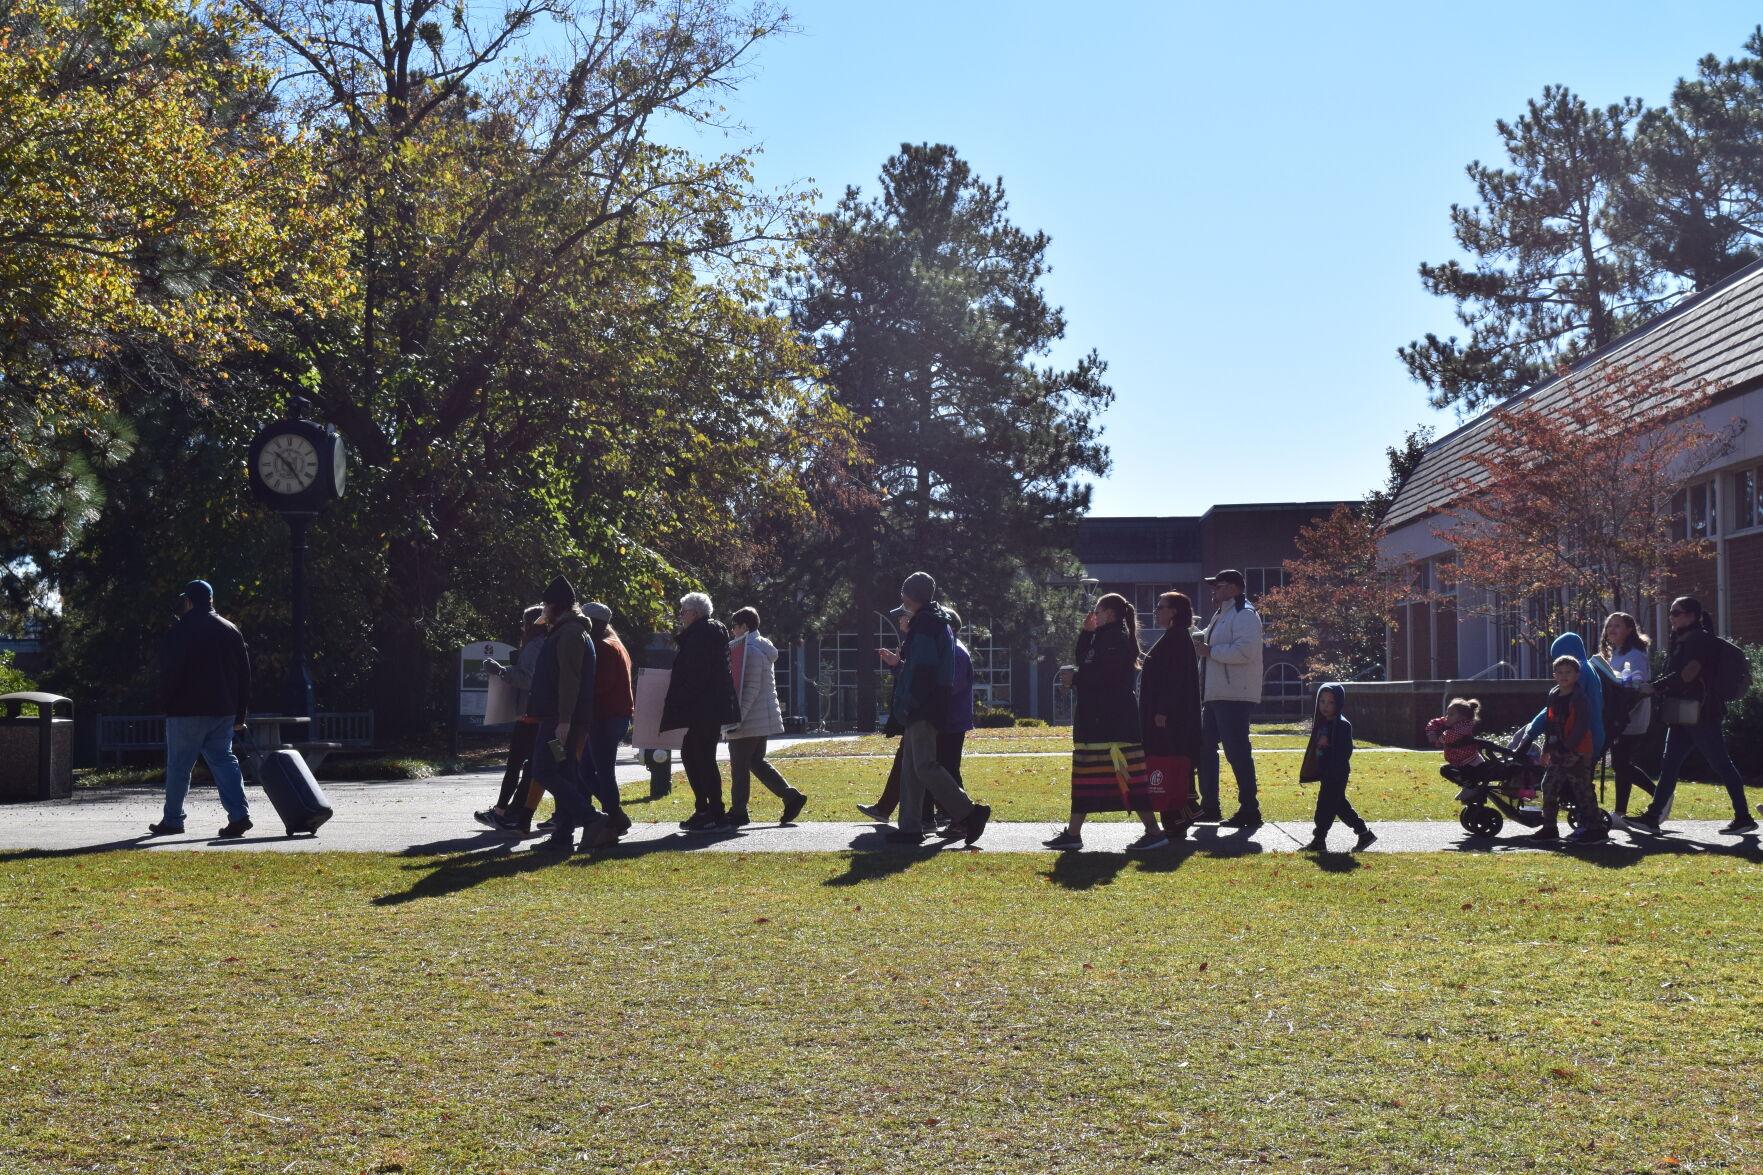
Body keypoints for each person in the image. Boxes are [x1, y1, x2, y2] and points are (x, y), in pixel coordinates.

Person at [1044, 593, 1168, 853]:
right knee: (1085, 775)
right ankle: (1073, 833)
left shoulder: (1116, 640)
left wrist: (1076, 680)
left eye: (1097, 611)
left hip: (1114, 722)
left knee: (1129, 775)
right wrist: (1086, 634)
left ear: (1110, 614)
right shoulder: (1100, 637)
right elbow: (1085, 661)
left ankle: (1154, 831)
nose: (1093, 616)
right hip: (1096, 719)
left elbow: (1109, 678)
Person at [1628, 597, 1757, 836]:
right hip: (1683, 713)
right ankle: (1653, 817)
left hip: (1702, 713)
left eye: (1677, 613)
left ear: (1692, 616)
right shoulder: (1683, 639)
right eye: (1671, 613)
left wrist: (1655, 687)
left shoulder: (1700, 640)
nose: (1672, 617)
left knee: (1721, 764)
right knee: (1669, 766)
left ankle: (1744, 817)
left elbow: (1687, 675)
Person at [882, 572, 991, 846]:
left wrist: (910, 702)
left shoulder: (927, 625)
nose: (902, 599)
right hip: (925, 704)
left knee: (925, 765)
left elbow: (922, 671)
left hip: (923, 705)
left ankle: (969, 812)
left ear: (911, 595)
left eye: (904, 593)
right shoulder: (933, 621)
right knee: (911, 767)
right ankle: (910, 826)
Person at [151, 579, 254, 839]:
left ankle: (173, 819)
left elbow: (170, 672)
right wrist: (240, 714)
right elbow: (244, 675)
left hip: (186, 710)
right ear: (211, 600)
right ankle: (239, 815)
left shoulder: (180, 630)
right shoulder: (231, 630)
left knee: (179, 766)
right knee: (224, 760)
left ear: (188, 601)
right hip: (224, 710)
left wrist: (164, 703)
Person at [857, 606, 973, 831]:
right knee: (924, 766)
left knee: (939, 769)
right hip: (937, 718)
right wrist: (898, 666)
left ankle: (961, 816)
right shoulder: (945, 648)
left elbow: (943, 685)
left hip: (947, 722)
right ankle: (927, 817)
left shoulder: (955, 651)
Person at [525, 575, 603, 853]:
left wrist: (564, 721)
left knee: (543, 770)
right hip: (564, 717)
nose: (543, 610)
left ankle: (591, 818)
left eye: (546, 605)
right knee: (565, 773)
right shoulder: (570, 630)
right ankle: (563, 836)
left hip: (561, 719)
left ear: (555, 605)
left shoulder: (570, 633)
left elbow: (569, 680)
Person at [660, 592, 740, 832]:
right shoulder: (713, 631)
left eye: (683, 612)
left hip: (702, 707)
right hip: (712, 706)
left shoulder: (699, 635)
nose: (681, 616)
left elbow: (696, 674)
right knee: (700, 755)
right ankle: (712, 809)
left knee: (697, 756)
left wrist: (680, 698)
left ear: (694, 613)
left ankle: (708, 810)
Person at [723, 606, 808, 828]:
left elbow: (748, 688)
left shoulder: (749, 650)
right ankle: (791, 797)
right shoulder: (761, 647)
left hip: (749, 720)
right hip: (761, 719)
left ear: (745, 626)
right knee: (755, 762)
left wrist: (736, 718)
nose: (733, 631)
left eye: (735, 626)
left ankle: (739, 811)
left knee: (739, 766)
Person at [1193, 569, 1265, 828]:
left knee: (1237, 753)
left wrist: (1209, 651)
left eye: (1219, 586)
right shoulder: (1222, 613)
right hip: (1216, 694)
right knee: (1205, 750)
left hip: (1234, 695)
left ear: (1233, 588)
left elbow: (1245, 652)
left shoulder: (1245, 614)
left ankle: (1250, 809)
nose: (1214, 590)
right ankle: (1210, 806)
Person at [1139, 590, 1203, 839]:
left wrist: (1162, 710)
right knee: (1171, 763)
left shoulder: (1176, 638)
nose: (1156, 610)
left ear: (1174, 611)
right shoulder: (1175, 636)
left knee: (1168, 763)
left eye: (1161, 606)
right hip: (1170, 716)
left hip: (1170, 718)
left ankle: (1178, 816)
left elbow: (1173, 679)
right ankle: (1181, 813)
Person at [475, 605, 546, 831]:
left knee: (516, 765)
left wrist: (500, 671)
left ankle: (502, 811)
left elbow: (528, 679)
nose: (521, 627)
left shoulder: (535, 646)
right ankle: (513, 811)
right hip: (539, 715)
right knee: (532, 767)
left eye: (524, 622)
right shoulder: (547, 643)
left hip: (530, 716)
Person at [1531, 654, 1608, 845]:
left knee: (1581, 789)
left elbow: (1581, 726)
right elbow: (1550, 723)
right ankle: (1549, 826)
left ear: (1576, 675)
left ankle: (1595, 828)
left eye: (1568, 672)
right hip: (1558, 751)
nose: (1564, 676)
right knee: (1548, 785)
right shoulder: (1554, 695)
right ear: (1554, 675)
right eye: (1560, 672)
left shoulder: (1579, 697)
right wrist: (1547, 749)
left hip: (1578, 751)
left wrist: (1568, 747)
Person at [1593, 612, 1656, 826]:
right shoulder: (1616, 653)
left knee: (1620, 764)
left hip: (1631, 717)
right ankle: (1620, 812)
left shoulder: (1636, 655)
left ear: (1630, 629)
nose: (1611, 630)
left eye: (1617, 626)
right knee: (1622, 763)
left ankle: (1660, 797)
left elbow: (1638, 687)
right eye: (1609, 626)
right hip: (1619, 717)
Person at [1297, 683, 1376, 852]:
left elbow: (1344, 751)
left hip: (1336, 773)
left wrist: (1333, 767)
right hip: (1326, 772)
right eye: (1322, 701)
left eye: (1331, 702)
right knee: (1339, 805)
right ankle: (1364, 833)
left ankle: (1319, 839)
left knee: (1325, 807)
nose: (1325, 706)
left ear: (1339, 703)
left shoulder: (1342, 725)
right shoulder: (1323, 722)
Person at [581, 602, 634, 840]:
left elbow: (601, 685)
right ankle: (614, 813)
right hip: (616, 715)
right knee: (593, 769)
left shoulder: (602, 647)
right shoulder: (617, 644)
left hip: (604, 715)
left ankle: (615, 815)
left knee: (599, 771)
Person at [1426, 698, 1484, 771]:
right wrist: (1431, 733)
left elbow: (1450, 735)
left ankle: (1470, 780)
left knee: (1450, 772)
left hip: (1471, 761)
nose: (1447, 717)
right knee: (1448, 771)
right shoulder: (1450, 721)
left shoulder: (1465, 726)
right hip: (1458, 761)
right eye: (1447, 713)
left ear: (1463, 717)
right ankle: (1466, 781)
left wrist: (1439, 741)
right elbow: (1434, 722)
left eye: (1451, 714)